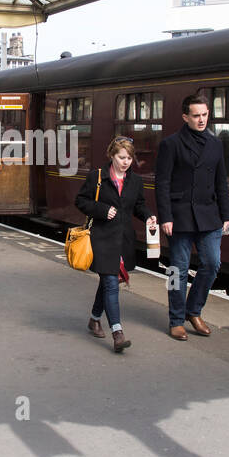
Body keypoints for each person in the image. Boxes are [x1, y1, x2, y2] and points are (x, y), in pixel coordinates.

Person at [155, 94, 229, 341]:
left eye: (204, 115)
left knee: (212, 264)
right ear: (185, 117)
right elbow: (162, 183)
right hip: (180, 216)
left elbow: (220, 182)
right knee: (176, 271)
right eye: (196, 116)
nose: (201, 120)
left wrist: (228, 217)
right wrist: (165, 216)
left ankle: (194, 310)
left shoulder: (215, 144)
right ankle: (176, 319)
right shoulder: (171, 144)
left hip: (209, 215)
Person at [75, 137, 155, 352]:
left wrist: (148, 217)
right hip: (101, 238)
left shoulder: (135, 181)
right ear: (111, 155)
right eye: (121, 157)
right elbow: (81, 201)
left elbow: (139, 206)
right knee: (111, 282)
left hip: (123, 240)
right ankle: (117, 333)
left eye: (129, 158)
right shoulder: (97, 177)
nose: (125, 162)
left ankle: (94, 319)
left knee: (108, 282)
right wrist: (101, 210)